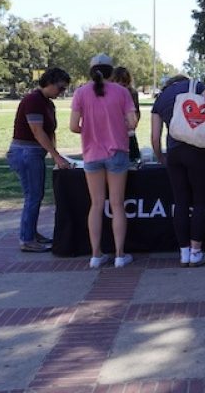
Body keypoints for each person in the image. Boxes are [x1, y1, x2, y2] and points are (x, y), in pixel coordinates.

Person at [151, 75, 205, 267]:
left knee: (180, 202)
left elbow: (155, 137)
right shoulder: (197, 86)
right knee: (200, 202)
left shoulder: (160, 98)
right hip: (200, 152)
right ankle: (196, 252)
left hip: (174, 154)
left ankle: (184, 253)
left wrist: (161, 157)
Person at [70, 54, 138, 268]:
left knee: (96, 204)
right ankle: (119, 254)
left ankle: (96, 255)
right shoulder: (122, 92)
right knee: (117, 204)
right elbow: (133, 122)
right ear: (111, 71)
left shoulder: (80, 92)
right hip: (117, 151)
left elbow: (73, 126)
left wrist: (89, 131)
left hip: (91, 153)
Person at [6, 68, 72, 253]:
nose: (62, 92)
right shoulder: (33, 100)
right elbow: (37, 131)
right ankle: (27, 239)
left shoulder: (48, 103)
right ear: (49, 83)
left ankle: (31, 234)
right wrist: (56, 156)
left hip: (35, 153)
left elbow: (50, 132)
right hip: (26, 153)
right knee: (33, 196)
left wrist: (56, 154)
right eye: (60, 88)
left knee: (36, 195)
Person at [110, 66, 142, 164]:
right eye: (118, 81)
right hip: (113, 135)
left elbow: (136, 112)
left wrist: (132, 124)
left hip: (128, 134)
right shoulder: (109, 93)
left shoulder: (132, 93)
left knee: (133, 161)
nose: (121, 85)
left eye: (124, 82)